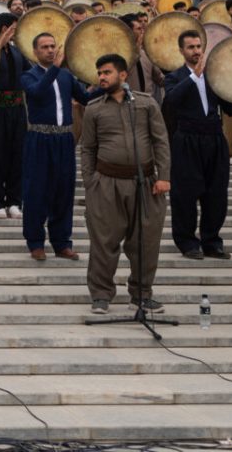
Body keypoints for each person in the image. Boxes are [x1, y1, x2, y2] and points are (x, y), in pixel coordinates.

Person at [81, 53, 172, 314]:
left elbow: (161, 141)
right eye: (99, 73)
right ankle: (101, 295)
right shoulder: (94, 107)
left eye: (107, 72)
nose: (101, 77)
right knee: (103, 242)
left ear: (122, 75)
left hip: (145, 183)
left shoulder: (145, 104)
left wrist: (164, 175)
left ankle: (142, 295)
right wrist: (91, 181)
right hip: (107, 184)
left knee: (145, 242)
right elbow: (87, 148)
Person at [163, 30, 232, 260]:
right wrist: (193, 78)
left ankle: (211, 241)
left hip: (214, 139)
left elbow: (229, 106)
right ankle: (187, 242)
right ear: (181, 51)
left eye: (199, 47)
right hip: (187, 139)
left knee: (216, 193)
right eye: (191, 47)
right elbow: (172, 101)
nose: (196, 51)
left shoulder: (214, 74)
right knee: (185, 194)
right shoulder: (175, 77)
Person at [20, 33, 92, 261]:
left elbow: (85, 98)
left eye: (53, 46)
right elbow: (38, 92)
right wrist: (56, 67)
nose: (51, 50)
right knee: (37, 191)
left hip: (64, 139)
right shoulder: (28, 76)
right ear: (35, 52)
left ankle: (62, 242)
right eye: (45, 47)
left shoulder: (66, 76)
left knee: (64, 191)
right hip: (40, 139)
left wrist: (107, 87)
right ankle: (35, 242)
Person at [0, 13, 28, 219]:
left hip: (17, 109)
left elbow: (29, 74)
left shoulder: (18, 52)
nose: (16, 32)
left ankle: (15, 201)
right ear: (5, 29)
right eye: (14, 28)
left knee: (17, 155)